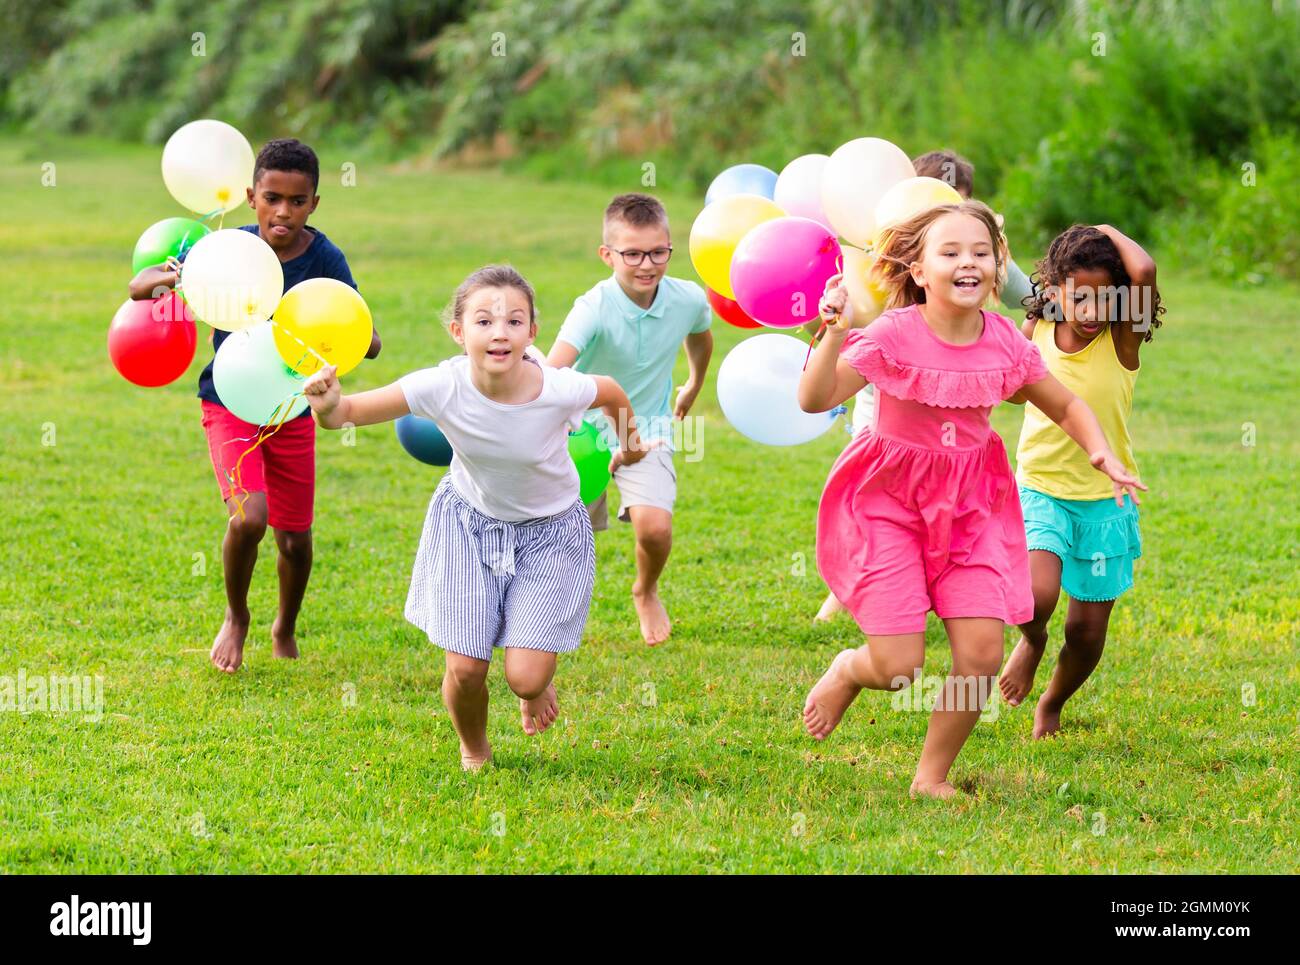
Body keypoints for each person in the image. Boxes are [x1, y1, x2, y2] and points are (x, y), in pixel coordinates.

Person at [798, 201, 1145, 797]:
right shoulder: (891, 334)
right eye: (951, 252)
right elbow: (815, 397)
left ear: (997, 266)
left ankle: (931, 776)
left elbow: (1064, 402)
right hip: (892, 504)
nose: (969, 263)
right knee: (899, 667)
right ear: (918, 268)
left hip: (973, 508)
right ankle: (851, 670)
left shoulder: (1006, 340)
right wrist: (831, 334)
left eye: (982, 253)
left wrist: (1100, 450)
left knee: (982, 654)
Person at [302, 265, 648, 771]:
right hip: (471, 525)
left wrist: (632, 447)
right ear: (459, 332)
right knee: (465, 668)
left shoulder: (558, 389)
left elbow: (612, 391)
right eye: (484, 321)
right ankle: (475, 747)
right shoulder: (441, 386)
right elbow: (345, 414)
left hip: (551, 533)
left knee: (524, 677)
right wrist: (327, 406)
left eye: (514, 321)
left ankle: (534, 682)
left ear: (532, 332)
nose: (500, 332)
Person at [128, 138, 381, 672]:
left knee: (294, 537)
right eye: (272, 198)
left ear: (314, 202)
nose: (283, 211)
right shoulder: (230, 252)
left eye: (296, 199)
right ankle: (237, 616)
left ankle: (284, 625)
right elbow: (138, 286)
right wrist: (178, 277)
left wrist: (351, 337)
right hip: (229, 402)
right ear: (251, 197)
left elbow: (367, 336)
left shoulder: (324, 258)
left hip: (291, 408)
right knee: (249, 519)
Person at [998, 224, 1163, 737]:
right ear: (1055, 291)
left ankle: (1052, 703)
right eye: (1080, 298)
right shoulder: (1039, 330)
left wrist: (1104, 231)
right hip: (1040, 488)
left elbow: (1146, 270)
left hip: (1104, 502)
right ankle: (1032, 640)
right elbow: (1011, 393)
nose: (1092, 312)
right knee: (1036, 594)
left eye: (1105, 298)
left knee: (1087, 632)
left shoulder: (1122, 339)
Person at [547, 194, 713, 646]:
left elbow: (700, 337)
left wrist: (694, 383)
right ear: (607, 255)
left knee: (655, 528)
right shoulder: (593, 307)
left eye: (659, 252)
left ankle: (646, 588)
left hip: (649, 427)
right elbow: (554, 368)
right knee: (560, 537)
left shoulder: (687, 299)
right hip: (581, 430)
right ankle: (546, 614)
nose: (647, 264)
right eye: (633, 254)